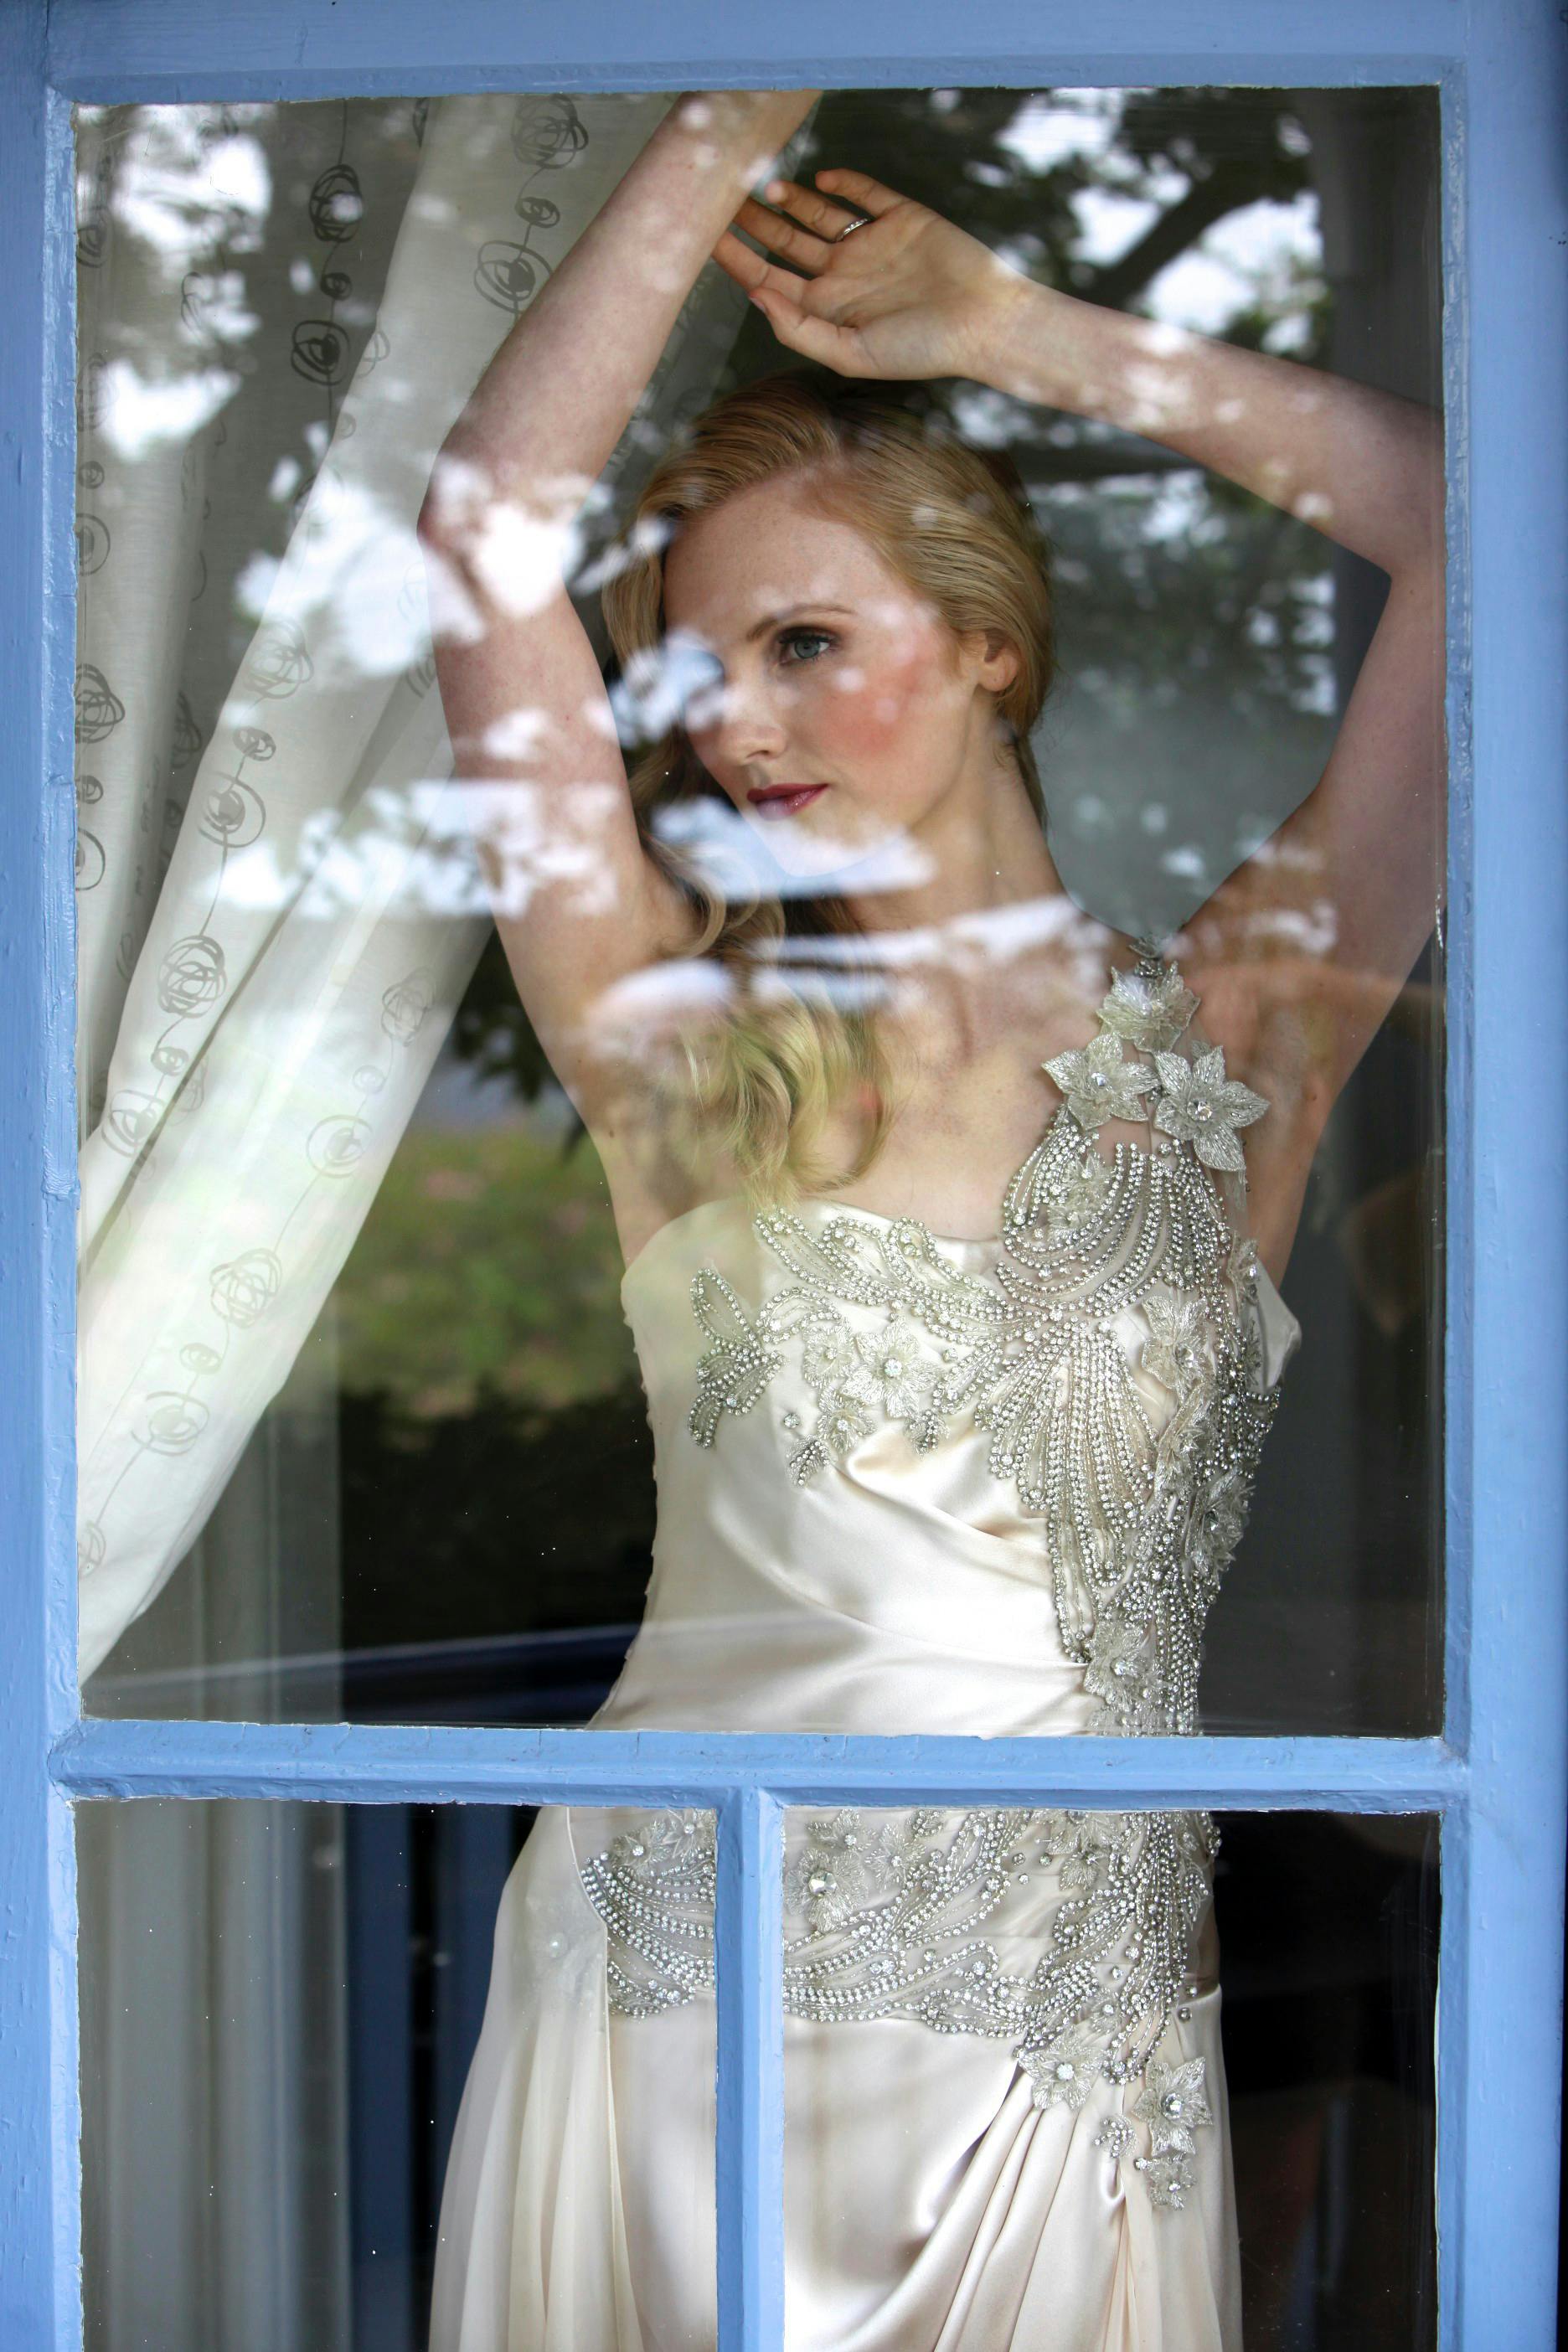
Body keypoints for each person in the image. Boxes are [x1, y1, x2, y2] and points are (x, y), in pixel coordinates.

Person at [415, 87, 1444, 2352]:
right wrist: (718, 120)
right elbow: (485, 522)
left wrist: (1019, 327)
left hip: (1072, 2050)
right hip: (683, 2014)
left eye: (804, 644)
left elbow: (1488, 521)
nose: (740, 732)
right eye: (699, 682)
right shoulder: (668, 1028)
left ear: (986, 643)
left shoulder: (1244, 1029)